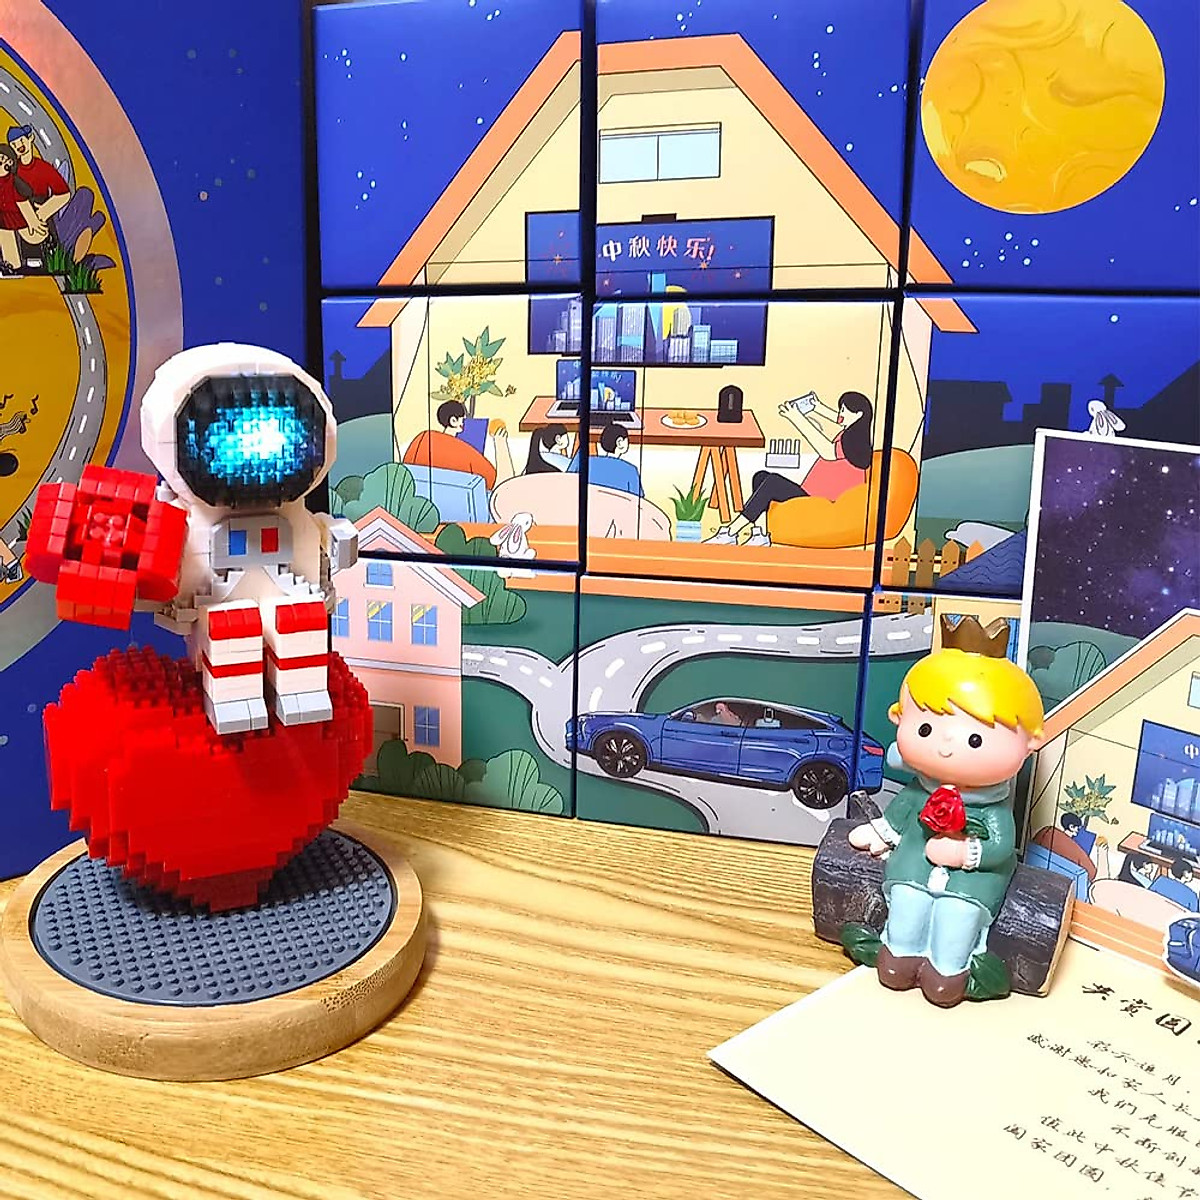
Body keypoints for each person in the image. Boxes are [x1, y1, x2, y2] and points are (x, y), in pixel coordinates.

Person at [845, 615, 1044, 1008]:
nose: (946, 747)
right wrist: (882, 832)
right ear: (898, 718)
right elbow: (900, 813)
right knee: (907, 902)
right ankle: (900, 954)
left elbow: (1000, 846)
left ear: (1031, 742)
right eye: (925, 730)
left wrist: (964, 853)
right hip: (914, 866)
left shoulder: (993, 807)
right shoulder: (919, 791)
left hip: (971, 883)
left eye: (975, 739)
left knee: (957, 917)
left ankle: (949, 971)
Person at [705, 390, 874, 548]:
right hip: (810, 492)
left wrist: (797, 418)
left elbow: (827, 451)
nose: (840, 414)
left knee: (772, 482)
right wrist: (817, 406)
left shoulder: (854, 442)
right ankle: (761, 534)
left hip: (819, 500)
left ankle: (731, 532)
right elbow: (839, 419)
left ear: (859, 415)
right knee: (761, 477)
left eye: (844, 410)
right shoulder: (853, 434)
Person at [7, 124, 107, 264]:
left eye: (21, 140)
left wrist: (42, 212)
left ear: (30, 138)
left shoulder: (43, 168)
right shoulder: (12, 171)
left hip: (42, 210)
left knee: (45, 240)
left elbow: (63, 194)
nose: (19, 146)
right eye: (14, 144)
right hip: (19, 213)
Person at [402, 399, 513, 491]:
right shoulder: (467, 454)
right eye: (462, 419)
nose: (464, 423)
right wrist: (500, 442)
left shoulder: (422, 439)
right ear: (453, 421)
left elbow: (406, 469)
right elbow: (503, 486)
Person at [567, 422, 643, 497]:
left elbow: (566, 481)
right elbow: (638, 499)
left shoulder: (583, 461)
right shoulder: (631, 471)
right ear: (619, 442)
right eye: (627, 440)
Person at [0, 144, 37, 272]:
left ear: (10, 163)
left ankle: (13, 265)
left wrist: (32, 219)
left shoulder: (13, 181)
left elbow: (24, 197)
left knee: (8, 235)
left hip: (13, 216)